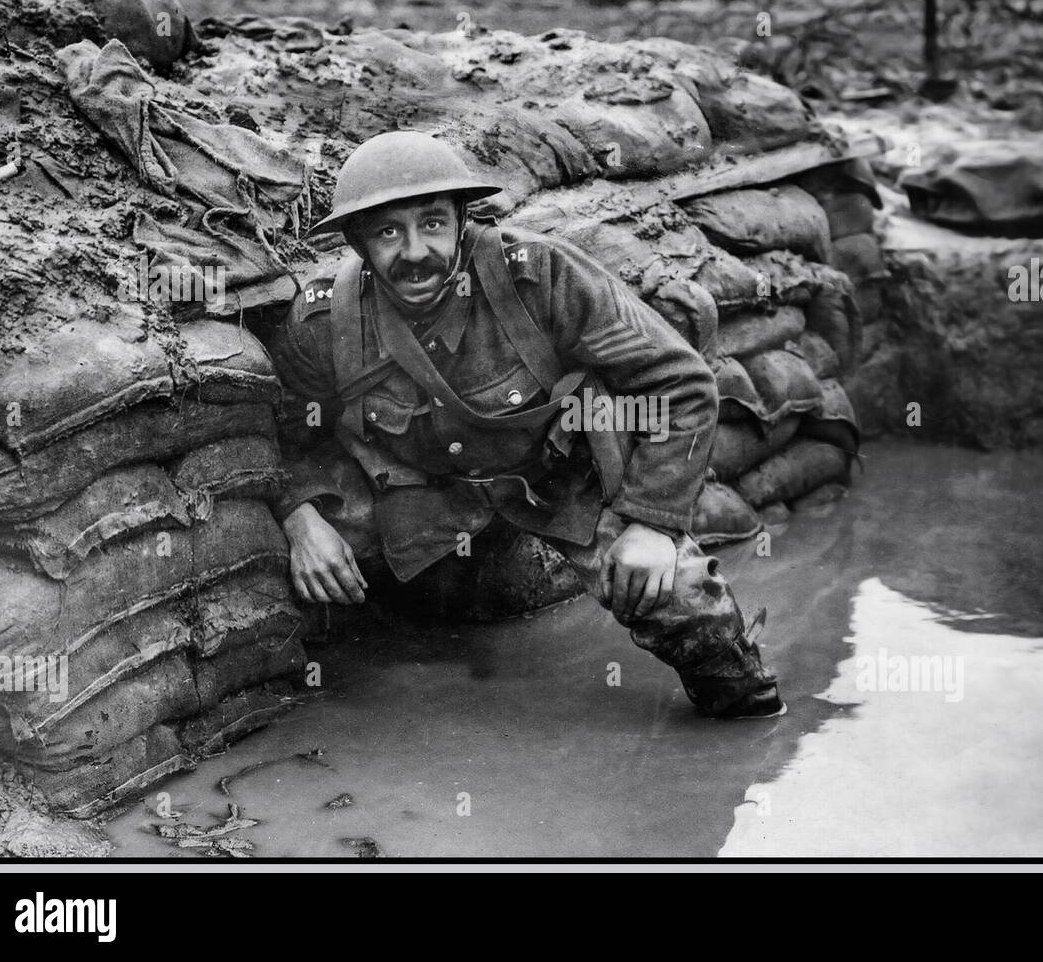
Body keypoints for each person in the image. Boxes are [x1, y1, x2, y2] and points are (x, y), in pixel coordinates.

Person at [269, 130, 782, 718]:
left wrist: (652, 523)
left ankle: (740, 712)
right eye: (388, 231)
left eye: (432, 222)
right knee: (284, 567)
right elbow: (290, 432)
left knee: (689, 603)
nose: (414, 251)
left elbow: (680, 382)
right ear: (358, 241)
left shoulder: (541, 276)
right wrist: (300, 514)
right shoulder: (325, 320)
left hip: (560, 478)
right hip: (422, 490)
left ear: (462, 220)